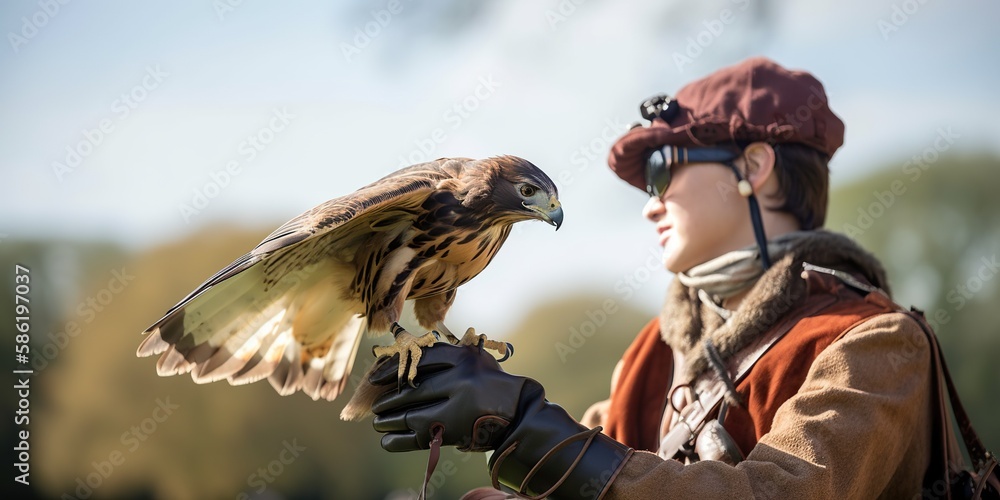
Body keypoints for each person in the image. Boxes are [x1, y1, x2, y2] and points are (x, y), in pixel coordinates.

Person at [369, 57, 936, 499]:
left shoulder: (875, 343)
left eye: (662, 171)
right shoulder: (654, 351)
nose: (650, 205)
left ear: (754, 167)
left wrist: (527, 424)